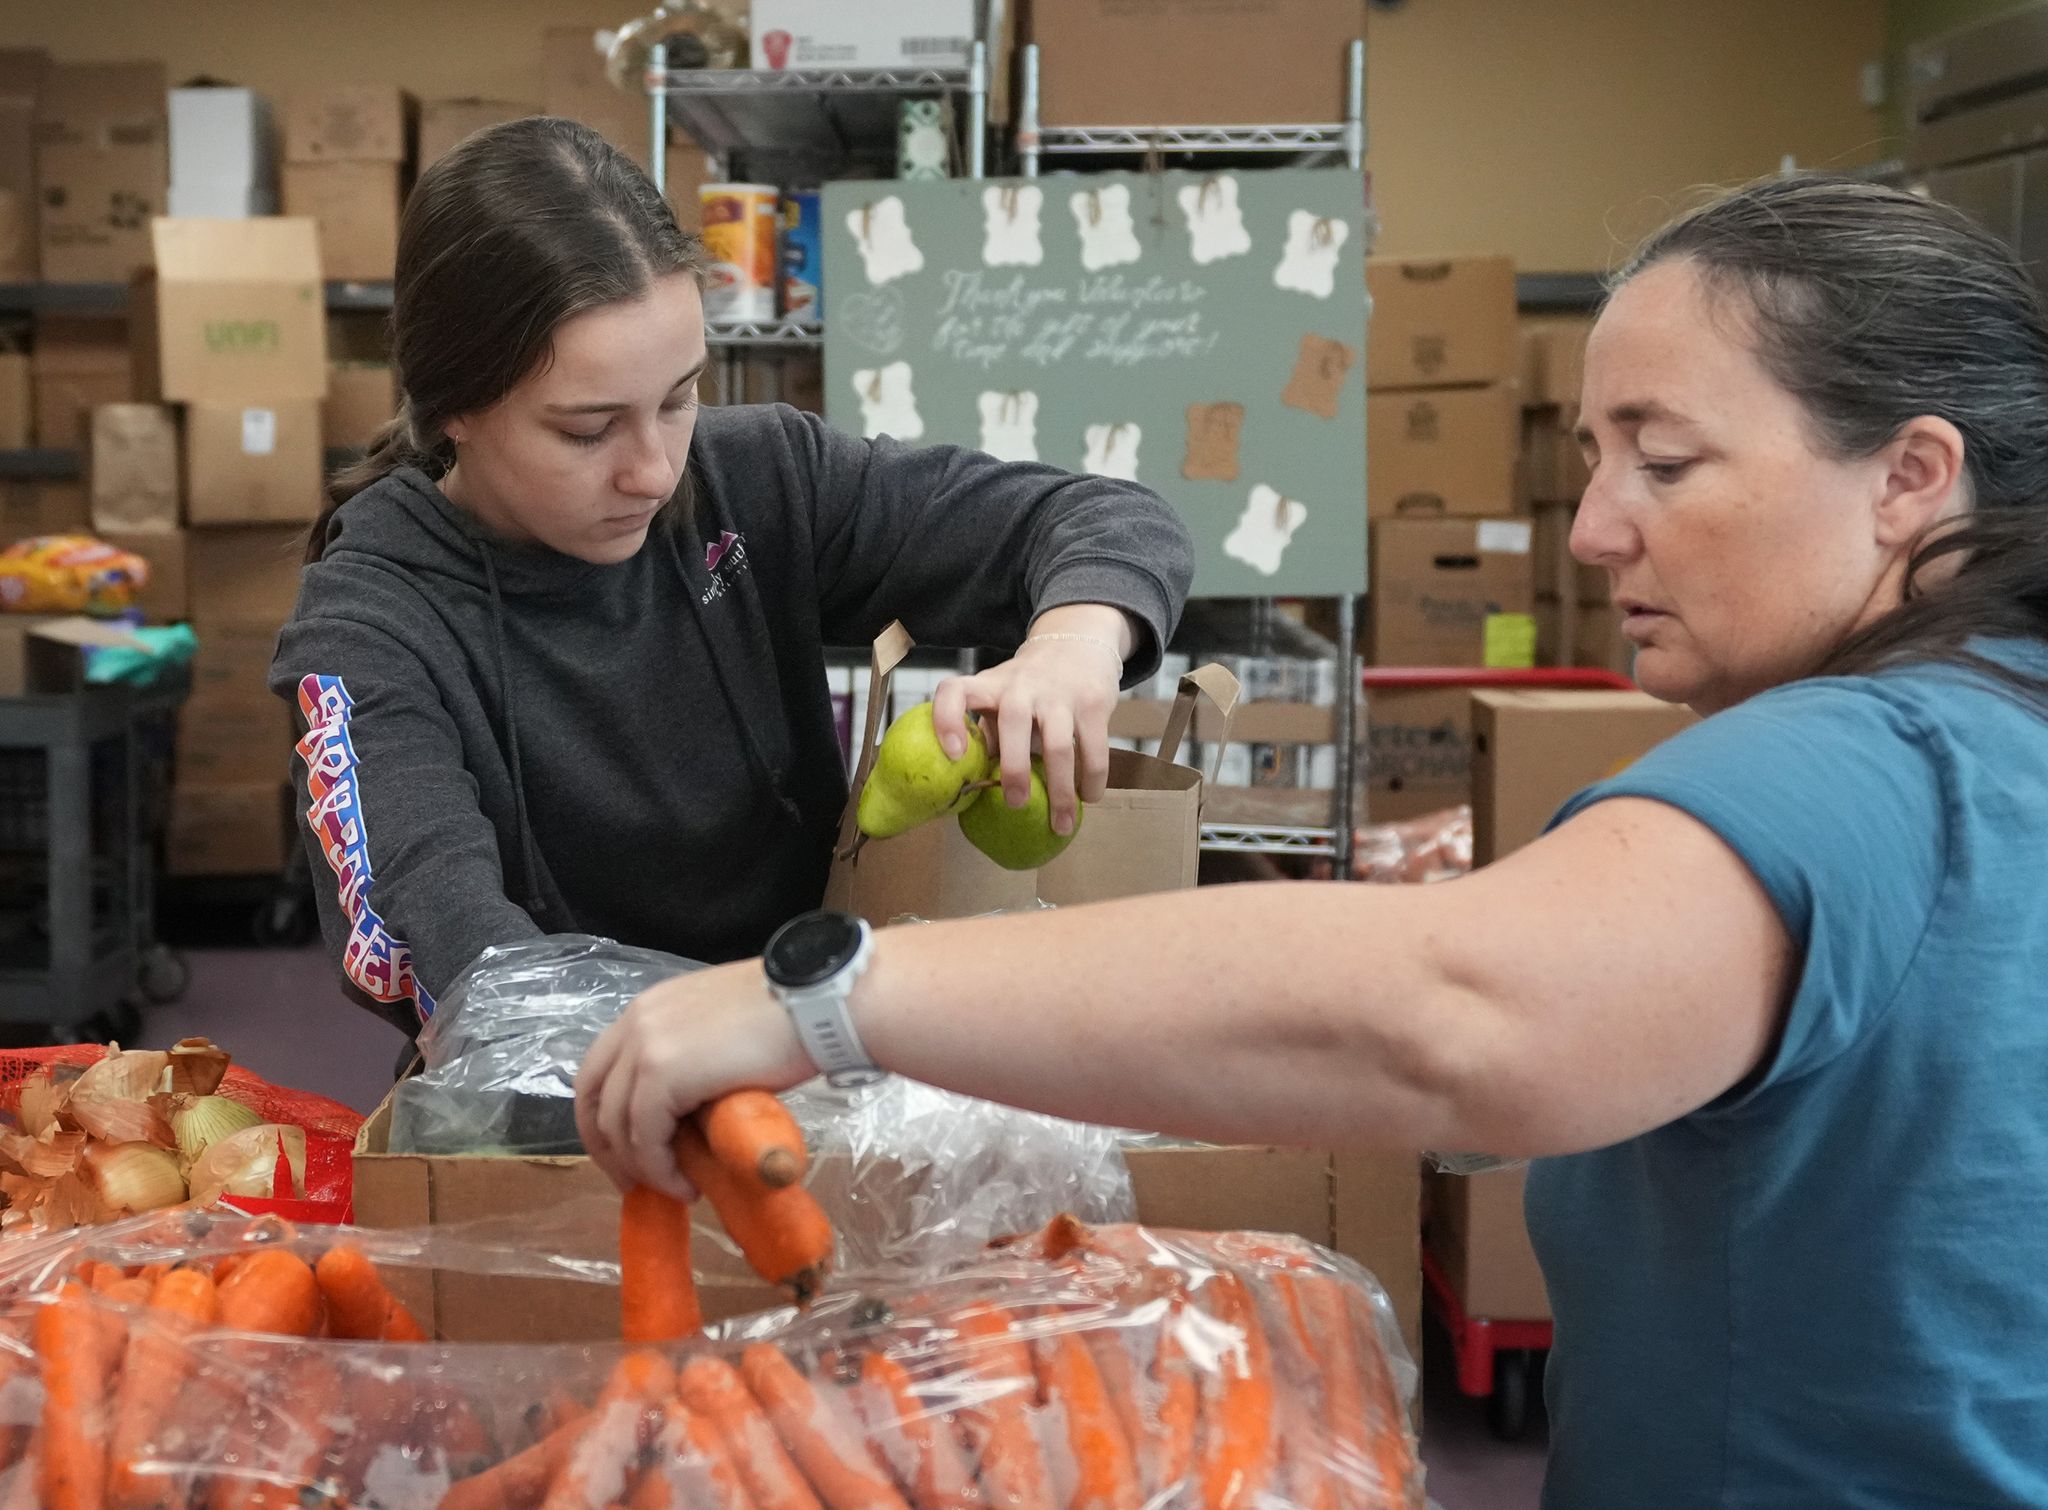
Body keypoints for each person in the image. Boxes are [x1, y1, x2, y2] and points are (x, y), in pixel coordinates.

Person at [578, 173, 2048, 1508]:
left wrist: (825, 994)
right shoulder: (2003, 729)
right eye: (1598, 455)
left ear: (1912, 475)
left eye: (1664, 461)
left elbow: (1462, 1010)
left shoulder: (1861, 761)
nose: (1598, 526)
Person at [270, 117, 1194, 1034]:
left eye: (680, 398)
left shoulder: (759, 480)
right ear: (453, 409)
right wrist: (707, 1057)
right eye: (588, 431)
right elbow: (447, 947)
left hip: (820, 1046)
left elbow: (1101, 517)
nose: (655, 471)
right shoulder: (371, 626)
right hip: (551, 1115)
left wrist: (1074, 644)